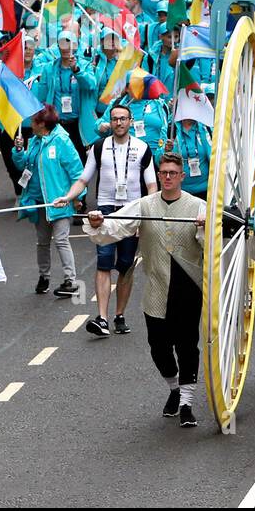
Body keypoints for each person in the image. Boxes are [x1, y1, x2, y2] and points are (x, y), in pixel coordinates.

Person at [82, 152, 208, 427]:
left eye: (173, 173)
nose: (167, 177)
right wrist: (97, 222)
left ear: (182, 177)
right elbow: (116, 223)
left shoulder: (199, 206)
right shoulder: (145, 204)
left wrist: (203, 229)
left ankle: (186, 402)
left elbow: (213, 243)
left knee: (187, 345)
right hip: (157, 284)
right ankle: (174, 387)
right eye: (163, 173)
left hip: (188, 286)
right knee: (158, 346)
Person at [58, 104, 157, 337]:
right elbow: (83, 179)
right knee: (104, 262)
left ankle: (119, 314)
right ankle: (101, 317)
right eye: (114, 119)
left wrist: (146, 217)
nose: (119, 123)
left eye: (123, 119)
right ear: (110, 122)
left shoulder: (143, 148)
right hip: (104, 211)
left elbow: (152, 185)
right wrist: (68, 196)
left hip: (132, 211)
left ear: (130, 121)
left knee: (125, 265)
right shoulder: (99, 147)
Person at [13, 105, 84, 298]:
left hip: (58, 201)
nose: (30, 124)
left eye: (33, 121)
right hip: (38, 201)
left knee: (61, 240)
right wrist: (19, 150)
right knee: (42, 242)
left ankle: (70, 280)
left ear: (42, 124)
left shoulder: (61, 141)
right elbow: (23, 165)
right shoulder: (35, 141)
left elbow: (77, 173)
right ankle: (44, 277)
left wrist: (76, 197)